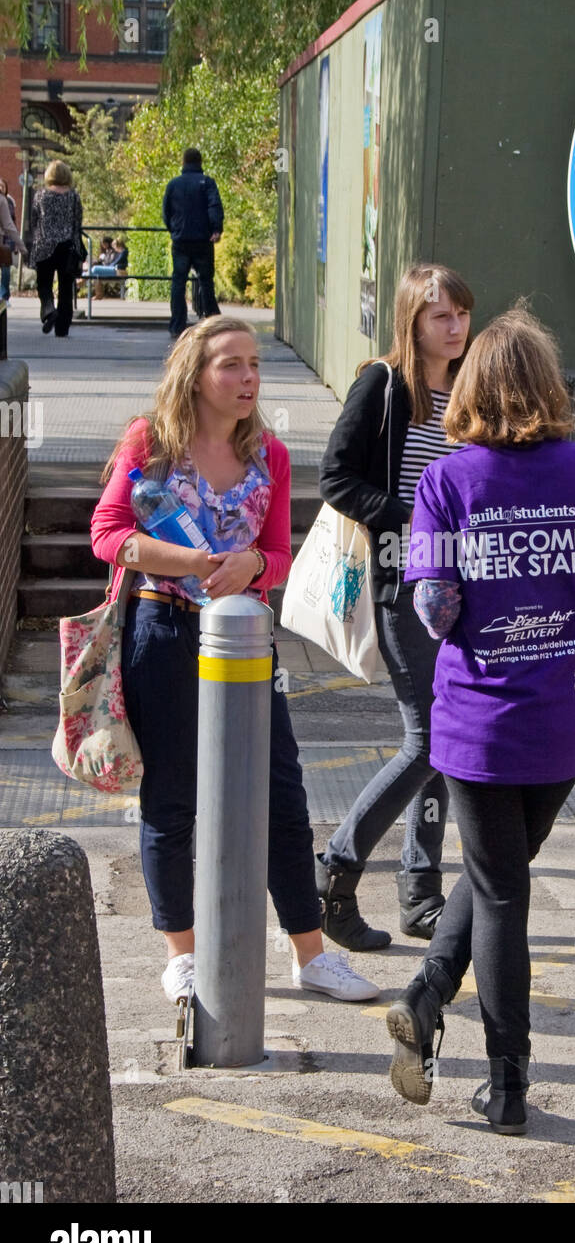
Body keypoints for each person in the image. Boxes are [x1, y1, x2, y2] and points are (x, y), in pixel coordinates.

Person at [385, 305, 575, 1134]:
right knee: (500, 878)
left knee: (501, 886)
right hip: (562, 720)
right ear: (549, 386)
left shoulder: (447, 480)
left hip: (475, 721)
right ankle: (431, 995)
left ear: (471, 389)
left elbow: (433, 607)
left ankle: (505, 1084)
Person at [90, 315, 378, 1005]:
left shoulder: (270, 454)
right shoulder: (150, 442)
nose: (248, 378)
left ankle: (310, 956)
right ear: (196, 374)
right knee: (171, 798)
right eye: (231, 366)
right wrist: (186, 560)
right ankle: (183, 956)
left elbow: (281, 555)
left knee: (281, 790)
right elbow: (108, 535)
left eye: (254, 365)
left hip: (245, 637)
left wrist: (254, 562)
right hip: (164, 627)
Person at [316, 263, 473, 949]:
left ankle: (419, 893)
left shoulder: (468, 391)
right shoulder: (382, 385)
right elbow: (335, 477)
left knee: (443, 747)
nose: (457, 327)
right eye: (442, 316)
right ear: (413, 319)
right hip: (400, 580)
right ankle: (336, 874)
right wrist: (414, 516)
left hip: (460, 585)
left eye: (463, 315)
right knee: (428, 740)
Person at [162, 147, 223, 339]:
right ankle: (211, 321)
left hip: (181, 240)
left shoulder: (174, 184)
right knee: (206, 281)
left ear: (183, 162)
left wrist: (174, 230)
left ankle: (177, 325)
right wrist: (216, 229)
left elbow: (166, 212)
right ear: (200, 162)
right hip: (202, 239)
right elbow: (214, 206)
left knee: (178, 281)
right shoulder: (207, 183)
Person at [29, 160, 84, 337]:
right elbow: (77, 223)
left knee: (44, 284)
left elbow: (34, 221)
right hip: (67, 246)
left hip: (44, 245)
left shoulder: (40, 196)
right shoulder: (73, 197)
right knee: (66, 288)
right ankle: (62, 328)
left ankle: (48, 309)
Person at [0, 177, 25, 301]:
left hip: (6, 241)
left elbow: (12, 223)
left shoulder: (9, 201)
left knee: (5, 270)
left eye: (2, 186)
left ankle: (4, 296)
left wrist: (16, 244)